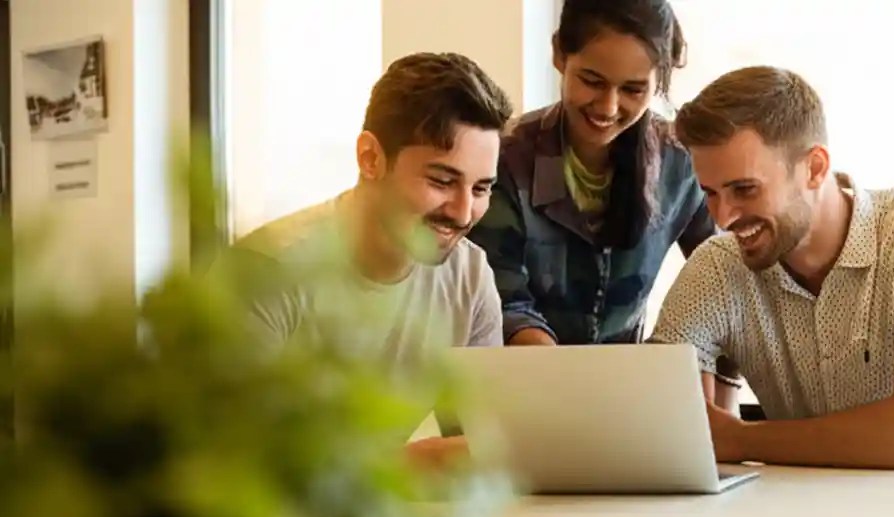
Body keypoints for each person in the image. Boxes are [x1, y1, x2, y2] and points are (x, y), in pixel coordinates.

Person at [650, 66, 894, 471]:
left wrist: (739, 439)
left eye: (745, 190)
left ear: (815, 168)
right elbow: (670, 424)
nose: (724, 217)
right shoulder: (718, 265)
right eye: (710, 193)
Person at [223, 52, 514, 466]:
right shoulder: (264, 272)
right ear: (370, 158)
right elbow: (234, 464)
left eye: (482, 188)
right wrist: (407, 467)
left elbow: (485, 450)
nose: (463, 212)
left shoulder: (470, 277)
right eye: (441, 181)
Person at [469, 0, 730, 374]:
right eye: (592, 81)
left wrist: (714, 377)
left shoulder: (682, 162)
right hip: (525, 380)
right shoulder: (505, 157)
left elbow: (727, 278)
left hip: (628, 390)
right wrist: (569, 384)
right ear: (559, 54)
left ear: (661, 80)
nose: (608, 107)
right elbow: (505, 301)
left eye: (633, 90)